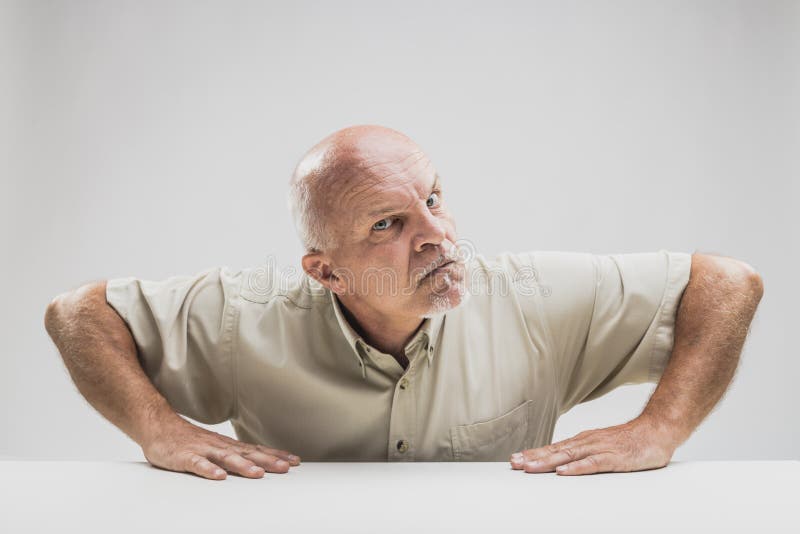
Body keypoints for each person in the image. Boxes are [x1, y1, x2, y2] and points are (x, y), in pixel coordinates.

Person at [44, 125, 764, 480]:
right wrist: (157, 431)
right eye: (388, 224)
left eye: (433, 199)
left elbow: (727, 281)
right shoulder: (245, 315)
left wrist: (660, 429)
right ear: (325, 273)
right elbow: (78, 312)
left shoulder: (533, 299)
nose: (440, 237)